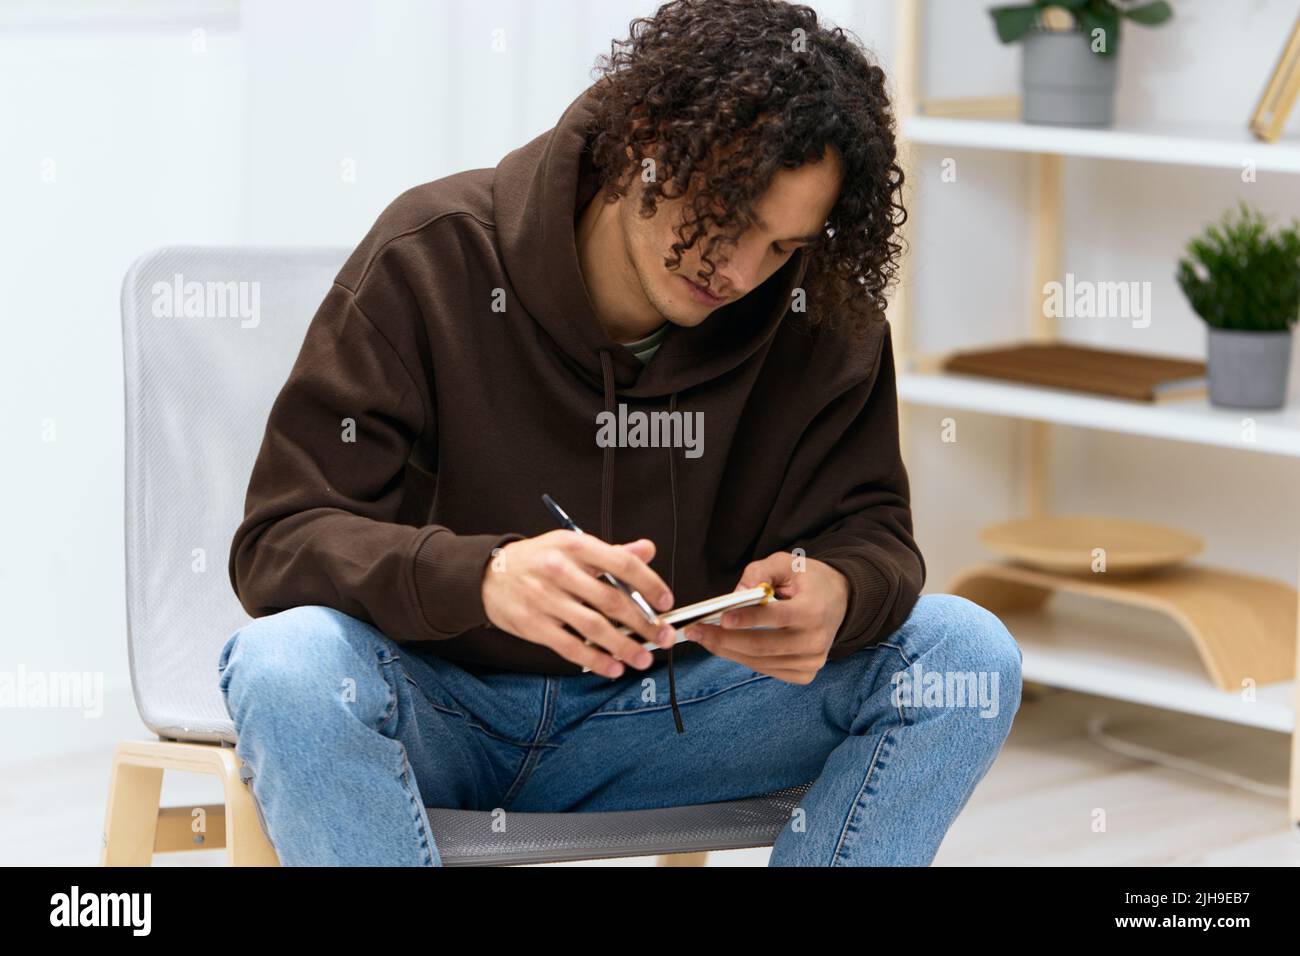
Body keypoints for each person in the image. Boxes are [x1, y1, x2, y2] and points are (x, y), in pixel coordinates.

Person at [218, 0, 1022, 866]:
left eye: (784, 246)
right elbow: (278, 542)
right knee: (286, 662)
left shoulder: (816, 311)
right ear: (647, 135)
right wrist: (480, 579)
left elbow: (875, 535)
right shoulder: (434, 256)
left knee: (965, 651)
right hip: (435, 714)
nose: (743, 272)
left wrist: (840, 588)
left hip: (668, 725)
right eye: (730, 217)